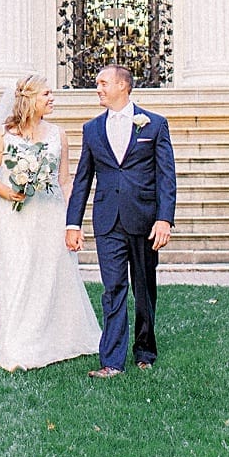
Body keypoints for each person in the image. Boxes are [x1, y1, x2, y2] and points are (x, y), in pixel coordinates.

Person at [0, 75, 102, 371]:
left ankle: (59, 336)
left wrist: (72, 221)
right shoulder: (3, 136)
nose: (52, 99)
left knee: (52, 272)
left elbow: (65, 180)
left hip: (51, 213)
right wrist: (11, 192)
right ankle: (19, 340)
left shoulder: (59, 134)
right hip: (17, 215)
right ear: (30, 99)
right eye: (47, 94)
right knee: (19, 272)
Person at [64, 63, 176, 377]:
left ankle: (144, 350)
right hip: (108, 220)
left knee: (143, 289)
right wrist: (73, 223)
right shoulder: (92, 129)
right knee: (112, 288)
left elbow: (166, 177)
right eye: (97, 83)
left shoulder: (154, 124)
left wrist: (164, 219)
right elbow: (83, 179)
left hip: (143, 219)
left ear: (123, 86)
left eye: (103, 83)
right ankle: (111, 361)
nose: (97, 88)